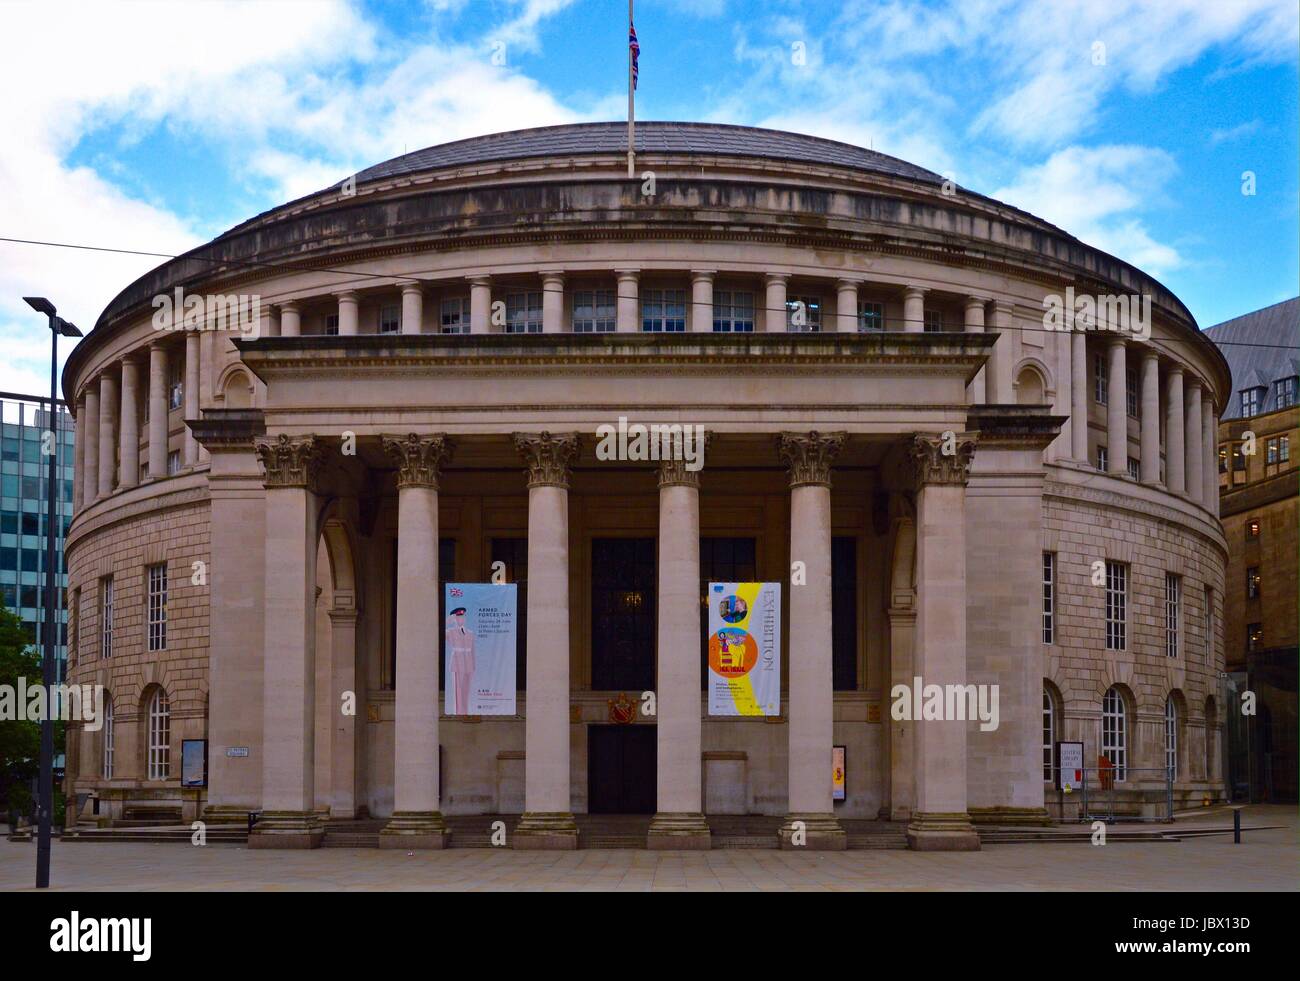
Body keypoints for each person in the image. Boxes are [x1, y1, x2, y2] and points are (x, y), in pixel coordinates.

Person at [447, 606, 476, 715]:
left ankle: (465, 711)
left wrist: (474, 666)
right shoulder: (450, 632)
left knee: (466, 691)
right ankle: (459, 712)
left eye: (462, 617)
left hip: (468, 664)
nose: (461, 619)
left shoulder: (470, 633)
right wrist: (448, 620)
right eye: (458, 617)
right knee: (458, 691)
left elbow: (473, 650)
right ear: (454, 619)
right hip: (457, 663)